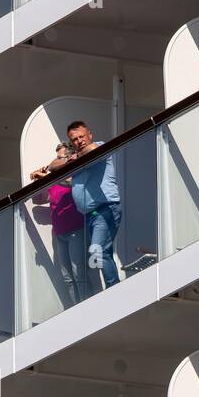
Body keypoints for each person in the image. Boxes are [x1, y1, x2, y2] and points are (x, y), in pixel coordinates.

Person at [40, 121, 122, 289]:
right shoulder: (75, 162)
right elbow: (56, 167)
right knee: (101, 252)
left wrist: (70, 159)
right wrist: (50, 168)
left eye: (81, 136)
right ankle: (113, 288)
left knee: (97, 251)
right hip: (90, 215)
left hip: (105, 209)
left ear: (89, 135)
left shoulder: (98, 147)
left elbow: (91, 150)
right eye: (74, 139)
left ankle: (114, 289)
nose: (79, 141)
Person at [30, 143, 87, 304]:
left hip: (77, 230)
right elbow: (38, 199)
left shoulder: (75, 174)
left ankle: (87, 307)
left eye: (59, 157)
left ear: (69, 158)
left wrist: (48, 176)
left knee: (79, 273)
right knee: (67, 276)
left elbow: (70, 183)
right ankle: (77, 308)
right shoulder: (55, 182)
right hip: (60, 233)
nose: (55, 161)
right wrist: (37, 181)